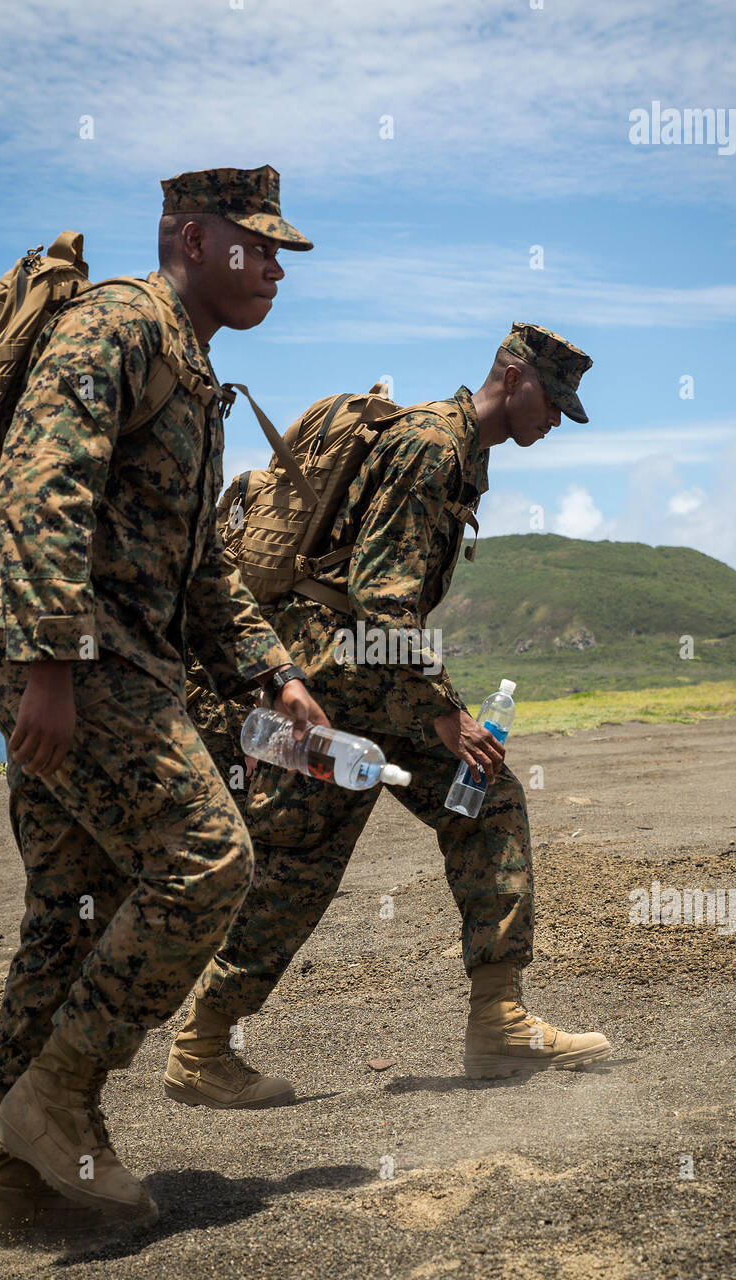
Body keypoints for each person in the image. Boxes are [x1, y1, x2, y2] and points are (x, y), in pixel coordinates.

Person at [0, 165, 329, 1234]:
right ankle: (55, 1103)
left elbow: (204, 566)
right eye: (254, 246)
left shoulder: (192, 367)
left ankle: (11, 1184)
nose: (270, 268)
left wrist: (275, 672)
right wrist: (50, 669)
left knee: (68, 911)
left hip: (103, 663)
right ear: (189, 235)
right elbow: (42, 489)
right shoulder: (115, 325)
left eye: (279, 254)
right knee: (208, 860)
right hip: (67, 661)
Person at [166, 323, 611, 1110]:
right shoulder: (434, 446)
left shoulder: (459, 451)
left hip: (365, 676)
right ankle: (203, 1045)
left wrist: (438, 710)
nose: (556, 420)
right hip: (341, 677)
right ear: (515, 378)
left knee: (467, 808)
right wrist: (445, 713)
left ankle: (495, 1018)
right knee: (319, 856)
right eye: (554, 401)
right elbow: (380, 595)